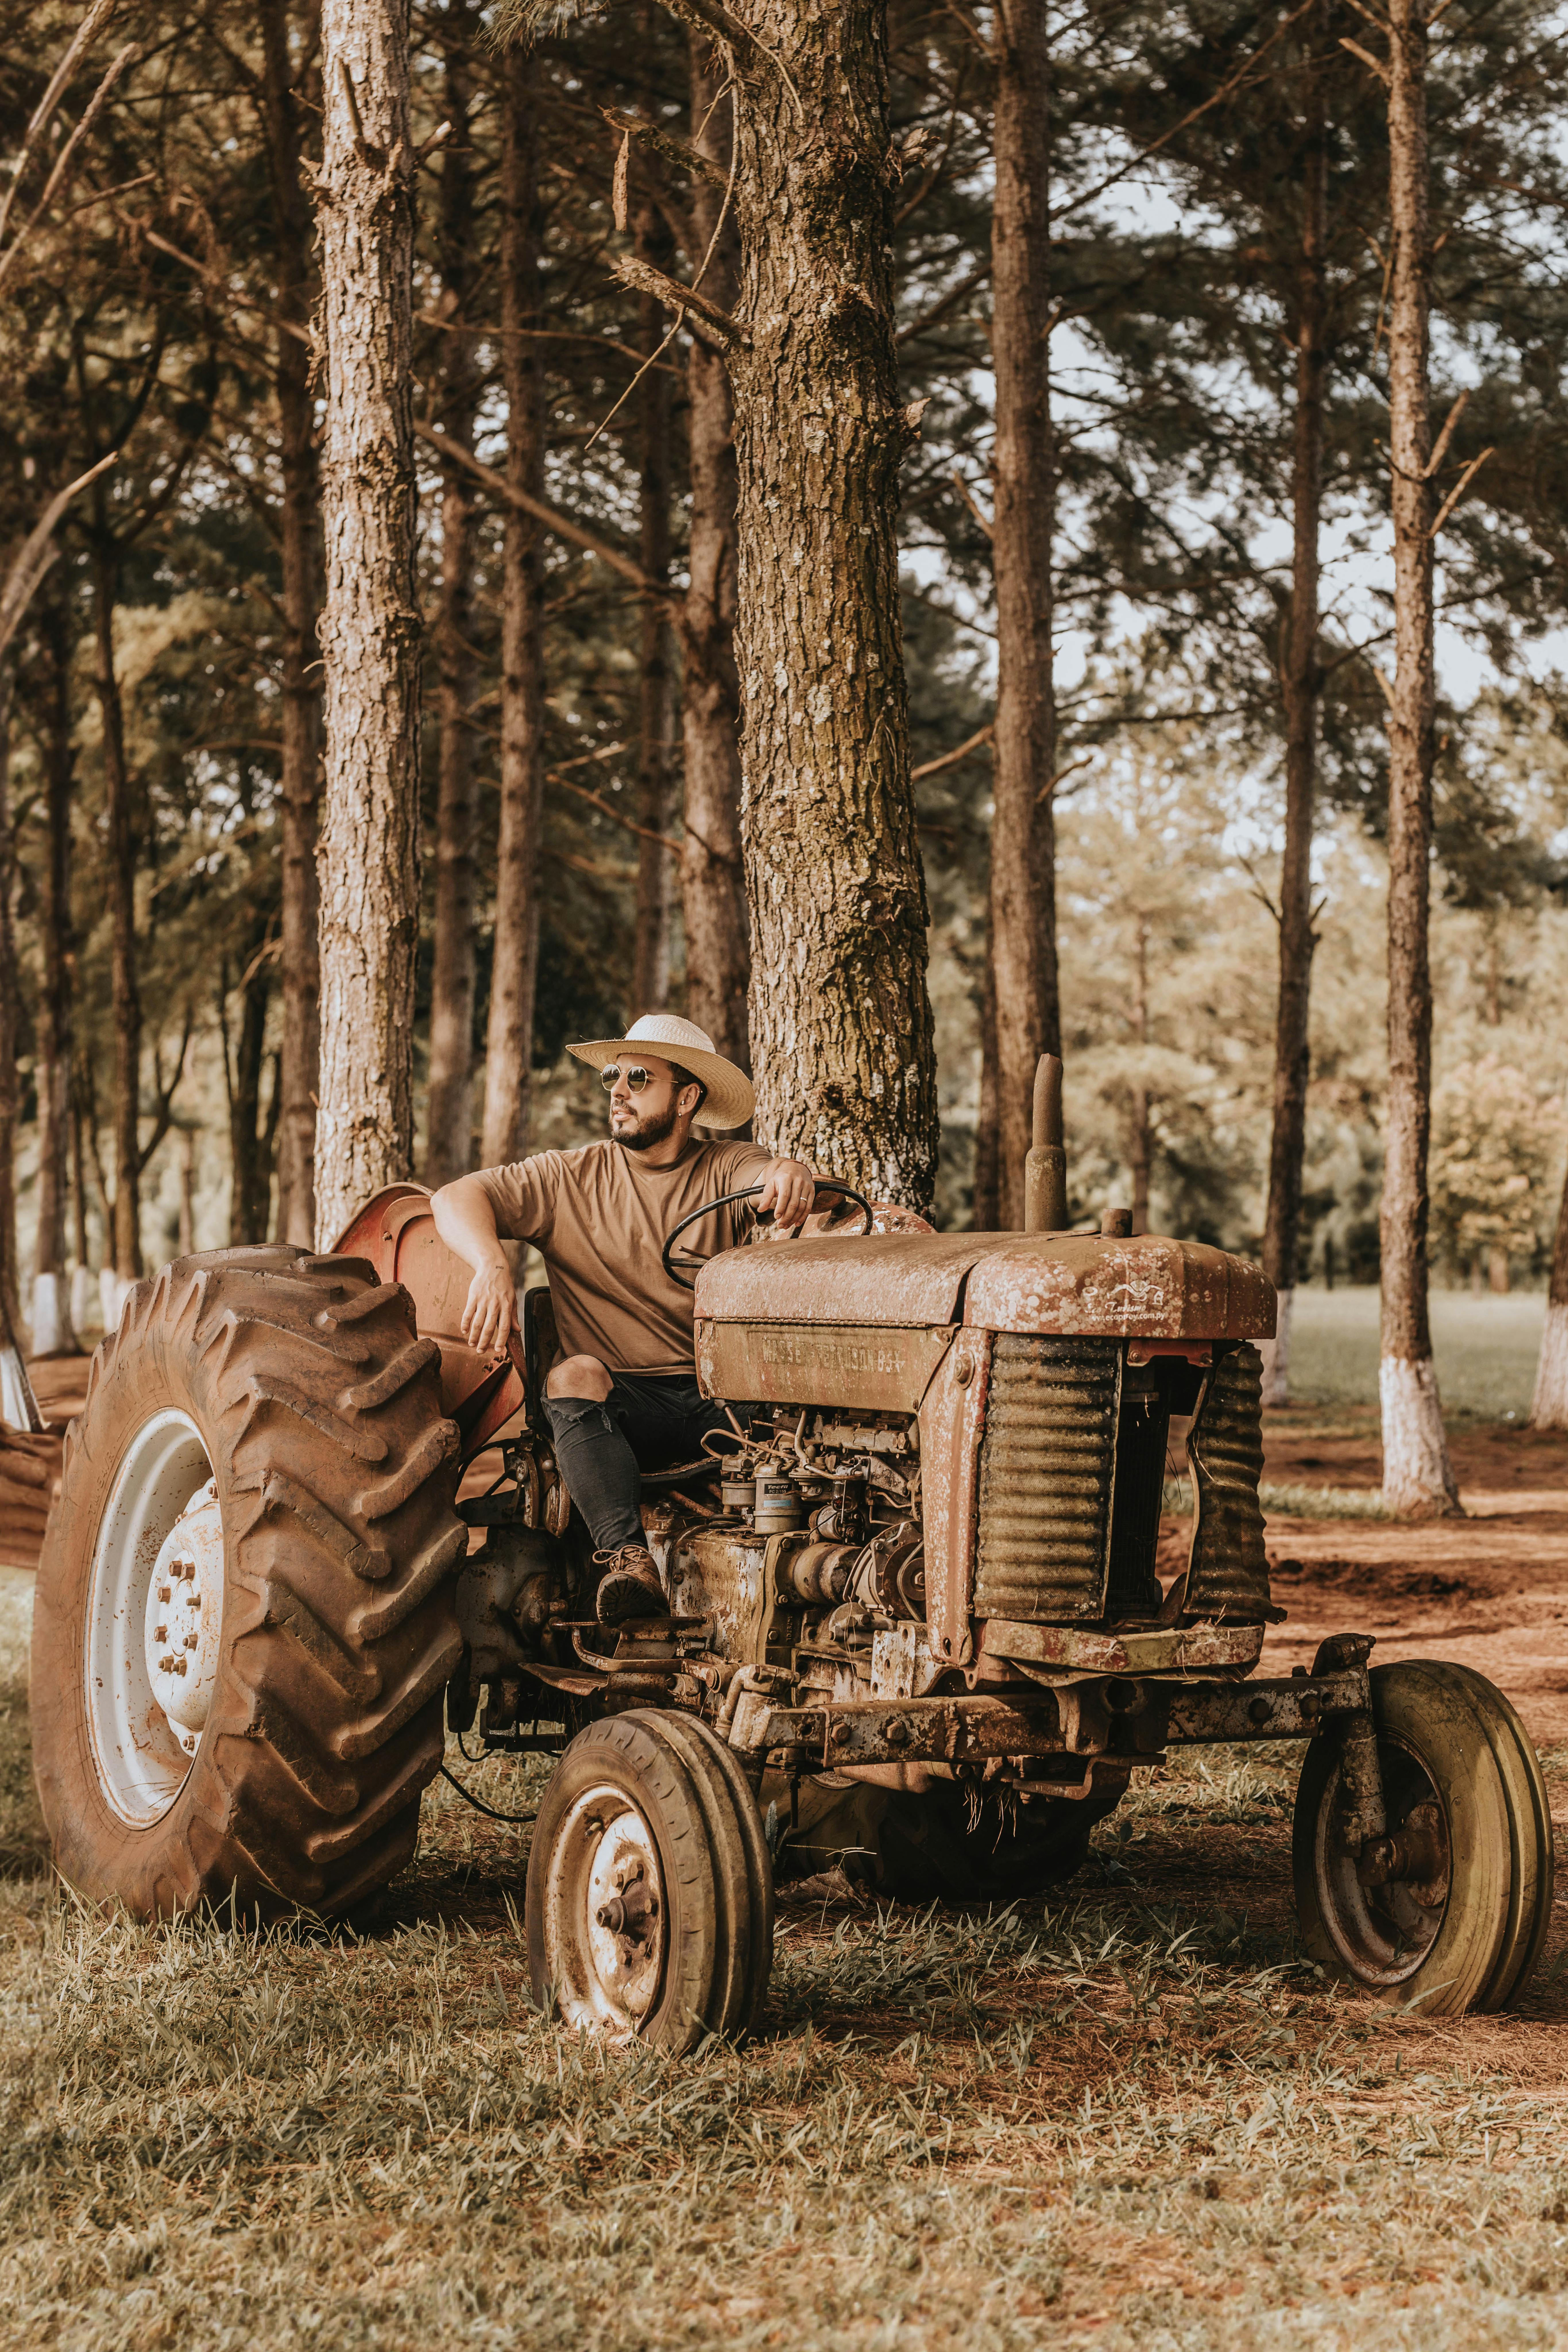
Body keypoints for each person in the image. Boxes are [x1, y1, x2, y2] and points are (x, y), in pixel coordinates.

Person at [431, 1013, 819, 1626]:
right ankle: (627, 1564)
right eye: (614, 1076)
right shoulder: (567, 1178)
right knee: (575, 1372)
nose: (618, 1090)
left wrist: (789, 1174)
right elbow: (453, 1197)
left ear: (687, 1097)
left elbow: (767, 1179)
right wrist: (489, 1263)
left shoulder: (725, 1165)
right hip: (621, 1409)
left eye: (639, 1077)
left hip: (727, 1404)